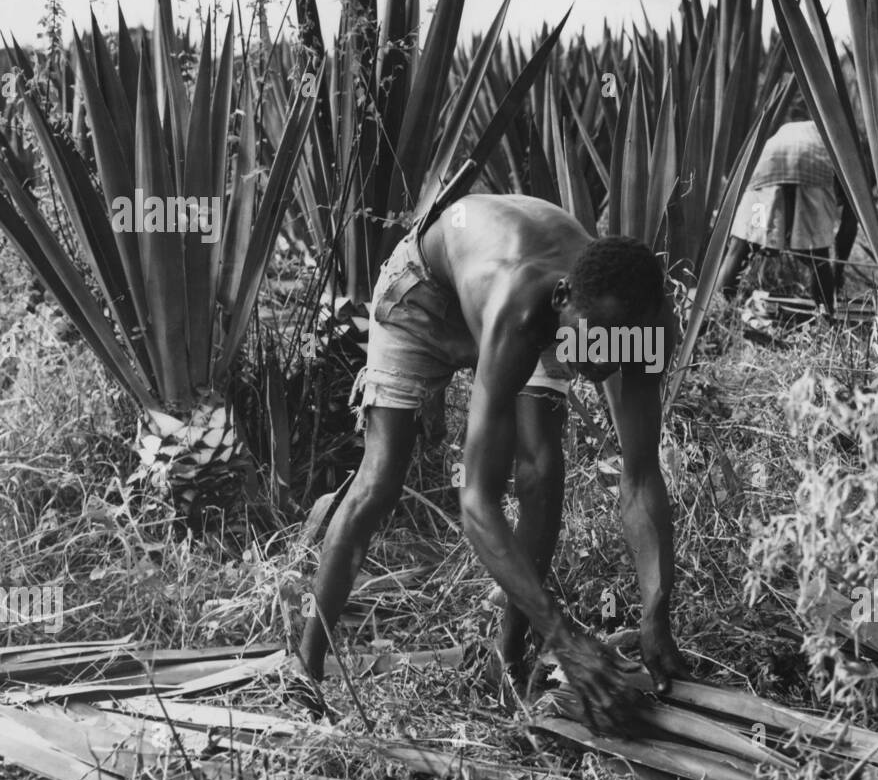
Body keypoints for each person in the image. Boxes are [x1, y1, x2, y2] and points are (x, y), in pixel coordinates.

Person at [293, 194, 686, 734]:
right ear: (565, 297)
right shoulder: (522, 307)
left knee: (542, 475)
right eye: (594, 341)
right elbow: (476, 502)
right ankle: (305, 670)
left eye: (617, 348)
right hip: (426, 296)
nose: (602, 363)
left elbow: (641, 476)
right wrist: (567, 639)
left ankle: (508, 663)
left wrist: (655, 609)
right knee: (381, 478)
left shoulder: (635, 324)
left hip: (549, 312)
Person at [715, 119, 856, 312]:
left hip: (769, 158)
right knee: (818, 254)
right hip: (812, 162)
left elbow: (786, 204)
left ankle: (717, 309)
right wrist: (837, 271)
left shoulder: (812, 128)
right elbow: (848, 226)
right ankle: (826, 317)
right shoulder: (854, 152)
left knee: (742, 244)